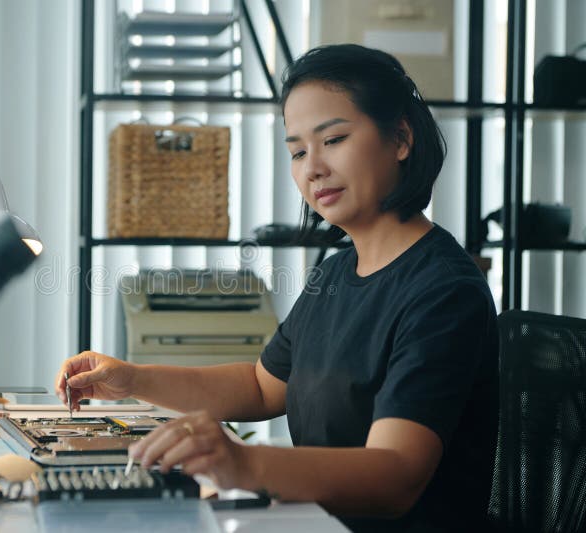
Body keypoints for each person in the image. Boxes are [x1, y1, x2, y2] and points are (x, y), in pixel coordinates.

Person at [55, 44, 498, 533]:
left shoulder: (445, 291)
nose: (312, 168)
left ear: (400, 139)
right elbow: (261, 386)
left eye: (334, 139)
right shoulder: (334, 274)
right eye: (298, 151)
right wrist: (133, 380)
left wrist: (244, 463)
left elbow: (395, 476)